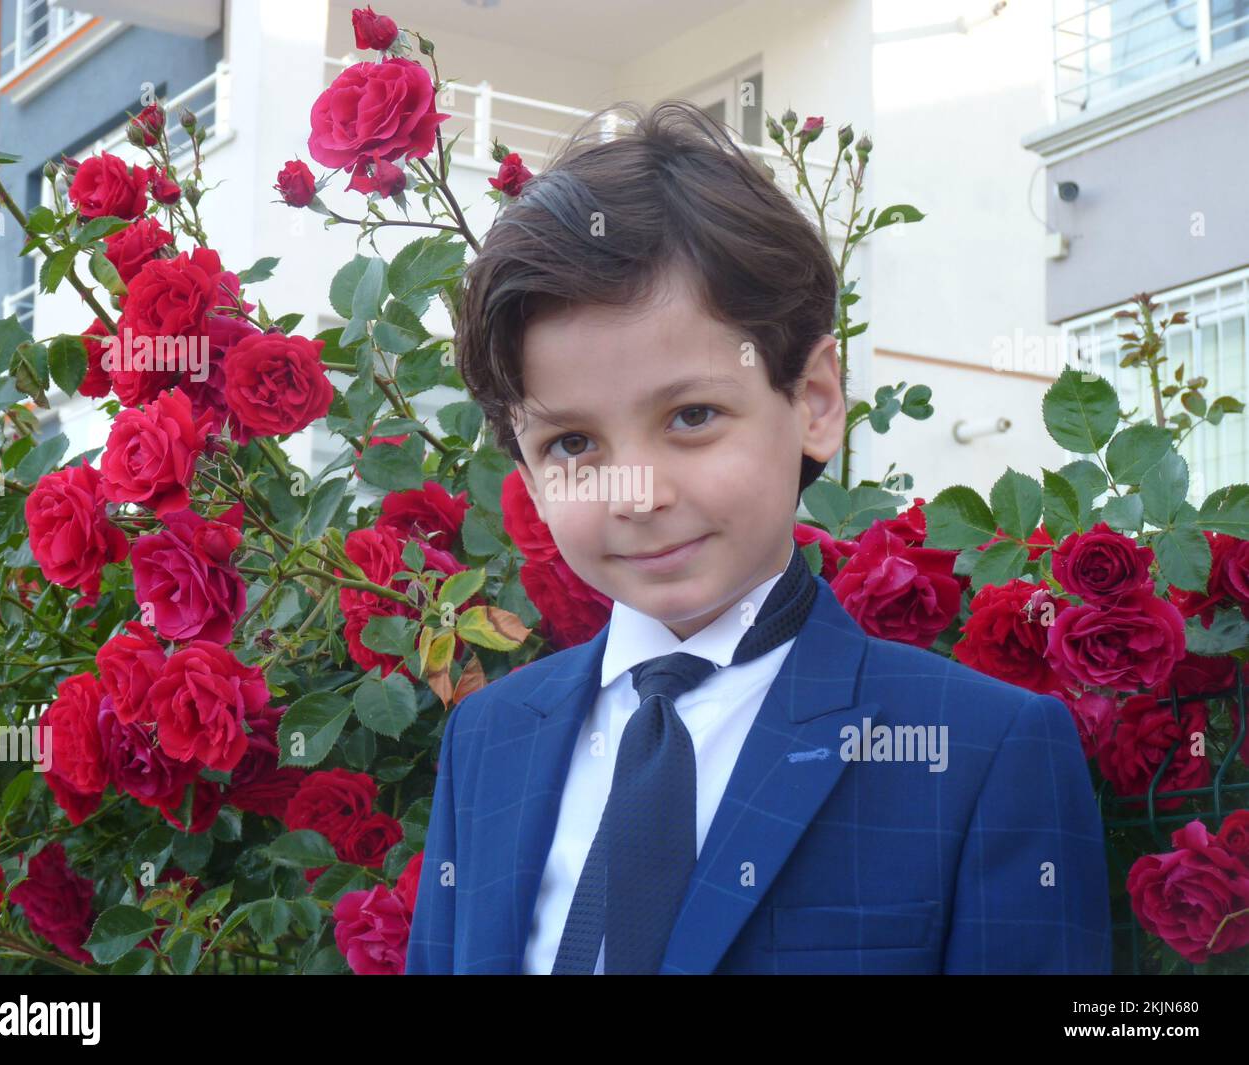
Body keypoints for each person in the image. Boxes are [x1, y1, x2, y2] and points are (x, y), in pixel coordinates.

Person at [405, 100, 1111, 975]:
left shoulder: (980, 753)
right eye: (573, 443)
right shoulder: (489, 738)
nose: (638, 493)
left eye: (692, 416)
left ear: (813, 402)